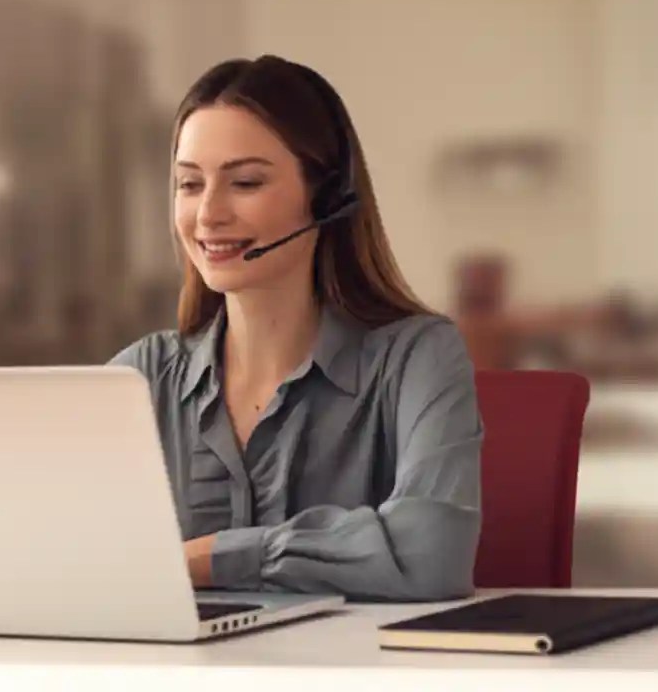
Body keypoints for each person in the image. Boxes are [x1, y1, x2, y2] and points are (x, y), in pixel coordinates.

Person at [109, 55, 482, 602]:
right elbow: (75, 562)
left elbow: (429, 556)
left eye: (245, 182)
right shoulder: (136, 379)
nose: (208, 213)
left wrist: (210, 558)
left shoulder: (417, 357)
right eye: (189, 185)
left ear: (328, 197)